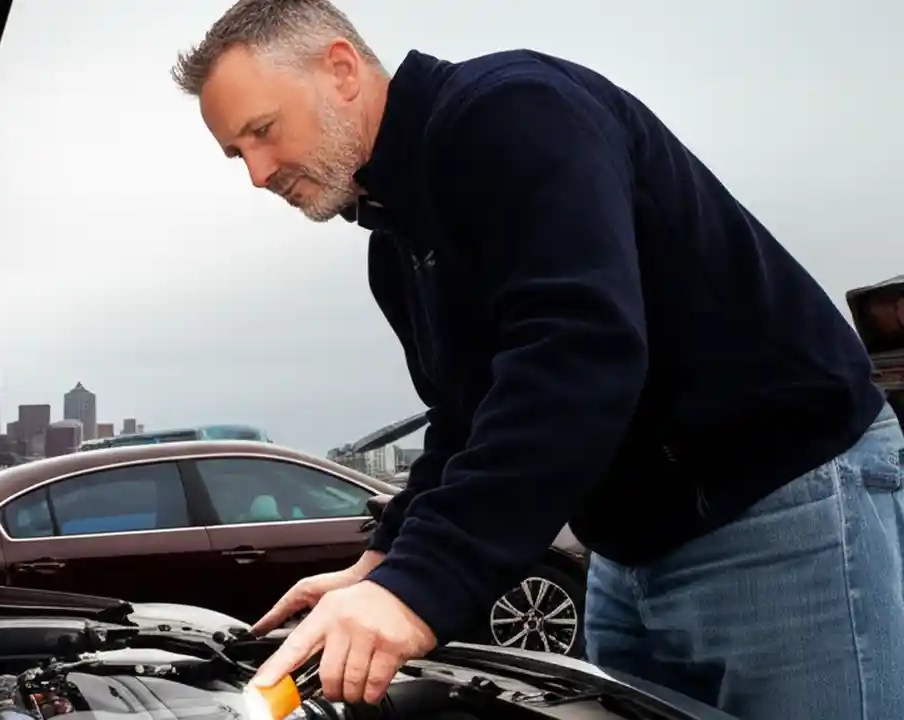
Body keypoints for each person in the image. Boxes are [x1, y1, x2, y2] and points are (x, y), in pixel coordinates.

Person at [171, 1, 904, 718]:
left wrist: (419, 588)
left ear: (341, 70)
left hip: (777, 502)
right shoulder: (395, 253)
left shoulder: (513, 113)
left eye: (262, 132)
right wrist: (383, 563)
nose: (258, 174)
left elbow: (577, 351)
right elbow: (467, 421)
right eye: (239, 153)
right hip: (632, 551)